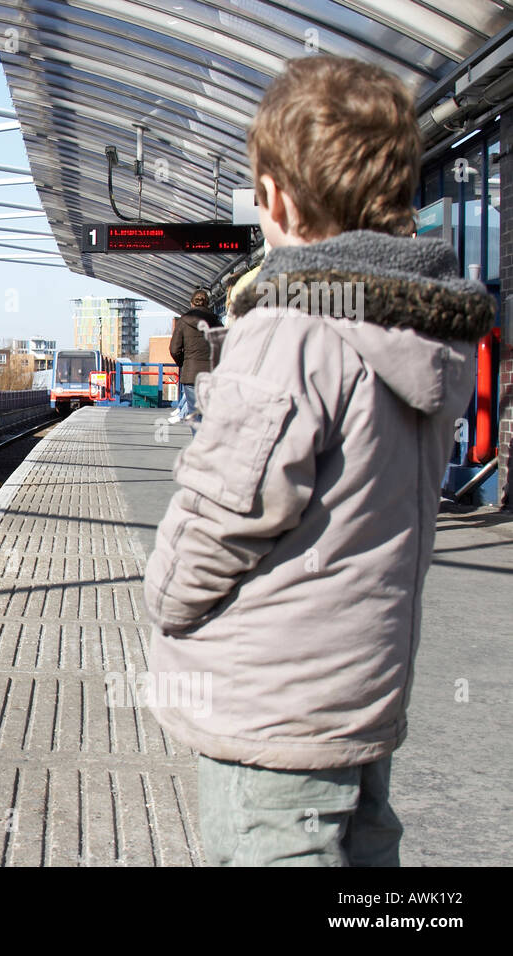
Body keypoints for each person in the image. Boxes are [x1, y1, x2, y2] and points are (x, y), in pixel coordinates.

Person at [142, 54, 494, 866]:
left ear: (280, 199)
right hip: (359, 687)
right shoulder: (426, 331)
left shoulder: (291, 328)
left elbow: (227, 509)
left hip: (270, 704)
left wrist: (164, 596)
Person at [167, 289, 221, 424]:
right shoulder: (216, 322)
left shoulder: (183, 322)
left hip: (191, 376)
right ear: (207, 304)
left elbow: (174, 349)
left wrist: (184, 364)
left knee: (195, 415)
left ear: (191, 304)